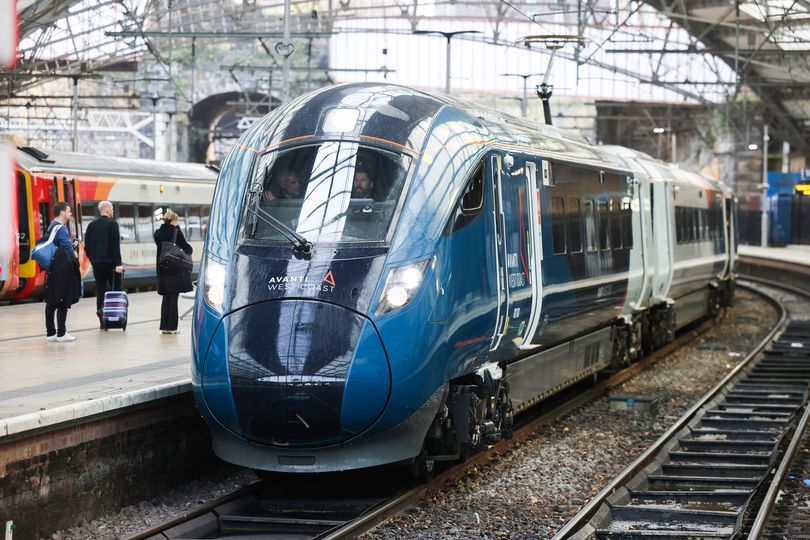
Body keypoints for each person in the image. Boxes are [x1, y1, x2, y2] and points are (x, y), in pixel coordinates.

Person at [44, 202, 81, 342]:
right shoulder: (61, 229)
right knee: (63, 299)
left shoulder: (51, 227)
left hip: (53, 268)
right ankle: (61, 333)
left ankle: (51, 333)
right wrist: (75, 257)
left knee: (52, 300)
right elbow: (68, 250)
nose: (70, 214)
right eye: (69, 211)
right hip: (62, 269)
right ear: (62, 213)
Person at [83, 200, 123, 326]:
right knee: (115, 290)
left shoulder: (91, 225)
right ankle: (114, 317)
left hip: (97, 264)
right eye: (111, 208)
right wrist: (118, 264)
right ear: (106, 210)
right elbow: (115, 246)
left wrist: (93, 259)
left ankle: (102, 317)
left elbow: (87, 246)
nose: (113, 211)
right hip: (111, 265)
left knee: (100, 290)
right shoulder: (112, 224)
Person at [154, 210, 193, 334]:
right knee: (173, 299)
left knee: (166, 299)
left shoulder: (158, 233)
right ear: (174, 221)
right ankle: (172, 327)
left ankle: (164, 327)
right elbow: (187, 248)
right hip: (174, 269)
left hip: (162, 269)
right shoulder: (175, 231)